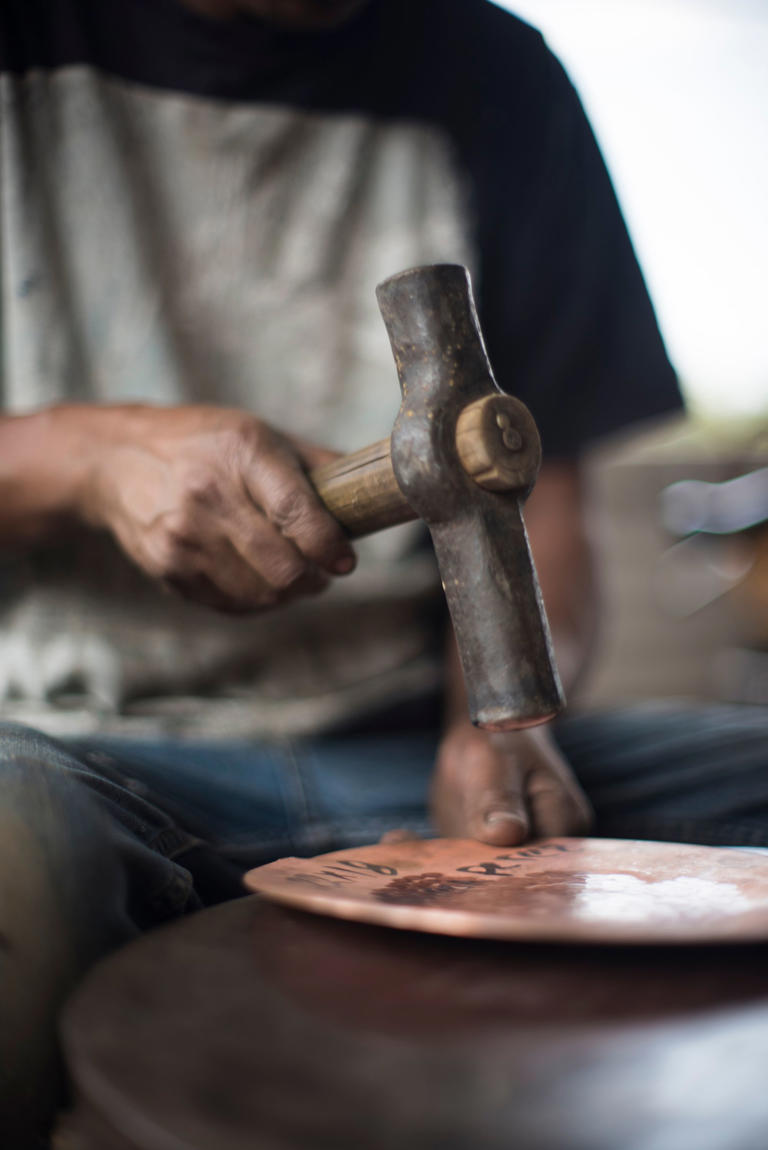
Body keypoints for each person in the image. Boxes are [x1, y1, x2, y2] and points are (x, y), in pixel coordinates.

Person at [1, 0, 767, 1143]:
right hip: (83, 751)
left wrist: (503, 727)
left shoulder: (500, 77)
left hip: (416, 745)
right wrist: (81, 457)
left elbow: (546, 502)